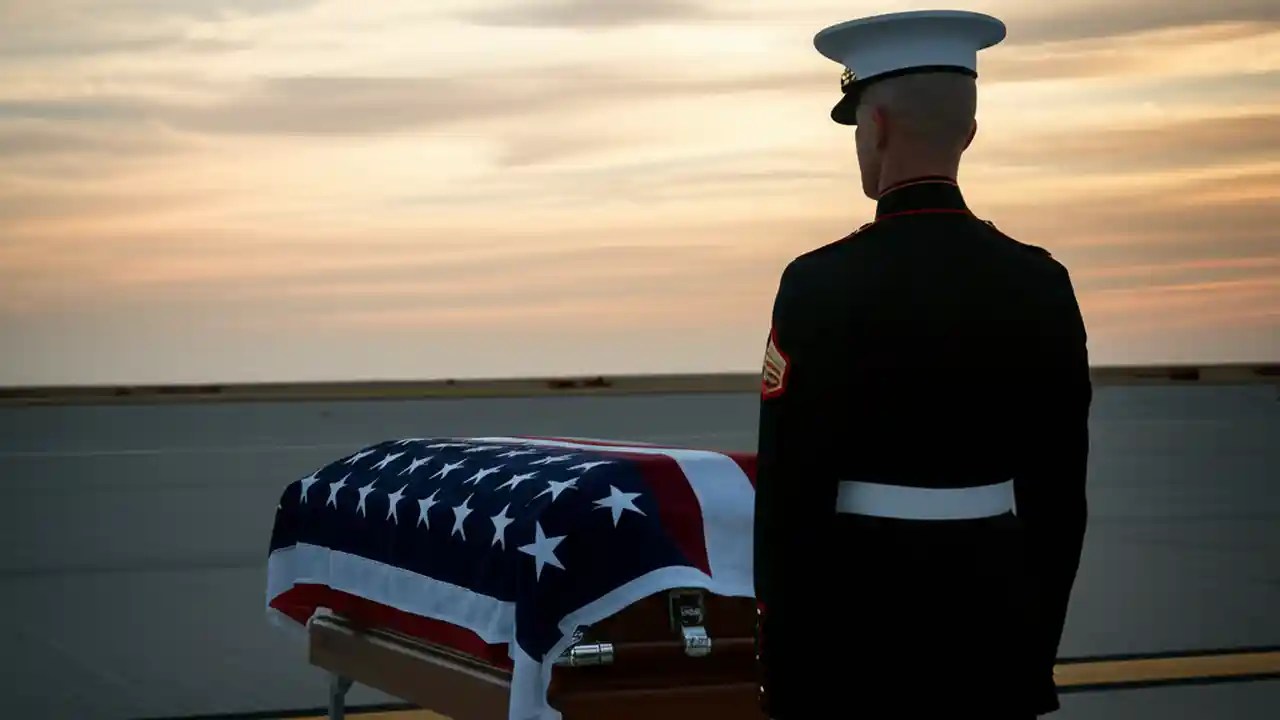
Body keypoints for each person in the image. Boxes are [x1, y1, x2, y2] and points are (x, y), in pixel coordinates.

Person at [752, 10, 1092, 719]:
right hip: (994, 618)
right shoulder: (1039, 280)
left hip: (857, 625)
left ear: (873, 127)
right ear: (968, 133)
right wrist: (1031, 655)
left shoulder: (819, 281)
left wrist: (784, 673)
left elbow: (792, 495)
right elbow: (1060, 498)